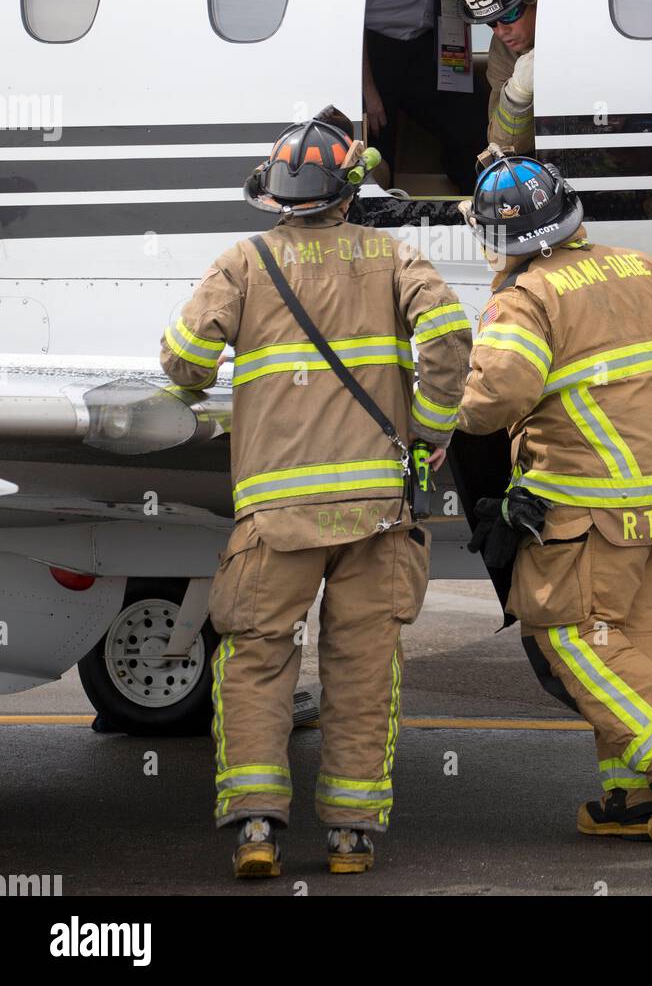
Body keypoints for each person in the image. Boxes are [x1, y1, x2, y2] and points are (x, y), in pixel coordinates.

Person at [159, 112, 471, 877]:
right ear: (348, 190)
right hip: (376, 509)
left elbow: (185, 363)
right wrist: (428, 435)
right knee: (363, 665)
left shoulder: (242, 262)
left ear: (274, 194)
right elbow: (450, 337)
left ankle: (258, 828)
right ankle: (350, 836)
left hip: (276, 517)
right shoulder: (394, 257)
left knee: (258, 660)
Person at [456, 155, 652, 846]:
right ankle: (636, 795)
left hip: (591, 505)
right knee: (634, 640)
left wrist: (442, 418)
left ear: (494, 239)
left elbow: (496, 398)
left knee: (567, 635)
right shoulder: (641, 268)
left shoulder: (523, 298)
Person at [364, 0, 546, 191]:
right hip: (376, 45)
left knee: (467, 126)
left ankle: (481, 201)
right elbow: (346, 1)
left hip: (436, 43)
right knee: (376, 141)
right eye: (491, 23)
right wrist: (367, 90)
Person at [455, 0, 541, 156]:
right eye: (491, 22)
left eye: (510, 14)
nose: (502, 32)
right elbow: (502, 147)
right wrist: (517, 95)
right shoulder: (503, 51)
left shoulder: (579, 30)